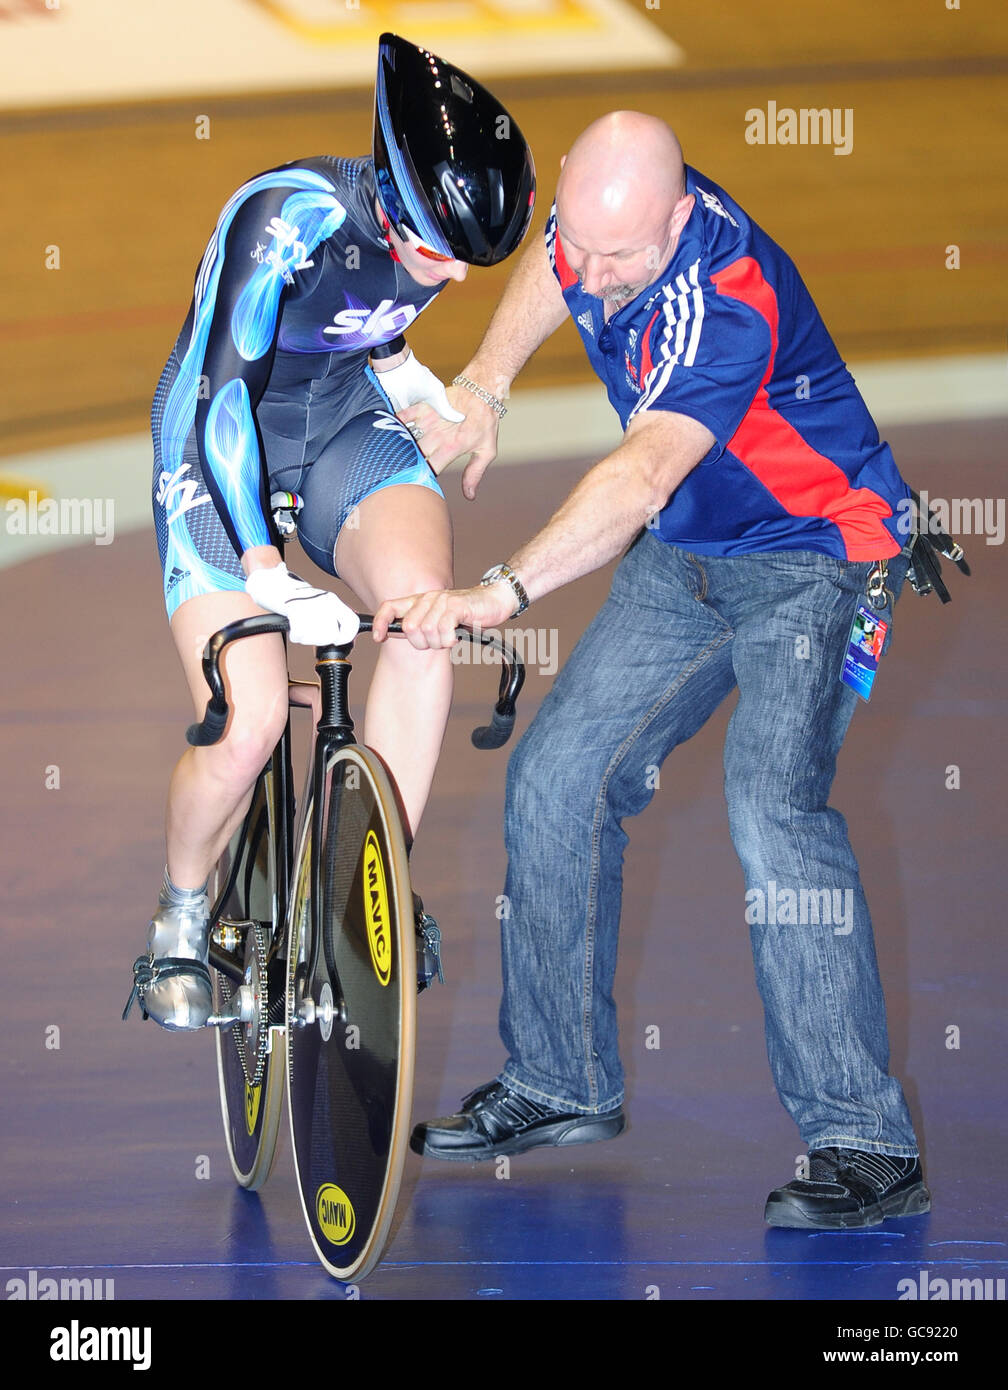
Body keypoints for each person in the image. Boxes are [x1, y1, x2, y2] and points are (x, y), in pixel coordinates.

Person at [373, 110, 932, 1230]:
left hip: (817, 553)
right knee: (555, 780)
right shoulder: (593, 226)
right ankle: (560, 1077)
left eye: (630, 257)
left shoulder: (726, 299)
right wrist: (485, 380)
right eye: (587, 248)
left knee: (770, 804)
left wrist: (505, 590)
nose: (603, 278)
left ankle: (865, 1137)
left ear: (679, 217)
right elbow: (549, 261)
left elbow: (635, 478)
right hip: (692, 550)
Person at [125, 33, 535, 1032]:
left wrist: (414, 375)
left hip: (339, 420)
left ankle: (370, 888)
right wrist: (261, 566)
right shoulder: (284, 215)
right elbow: (225, 394)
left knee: (425, 627)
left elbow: (371, 305)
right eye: (447, 255)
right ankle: (180, 910)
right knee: (250, 720)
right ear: (394, 199)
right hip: (218, 431)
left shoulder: (432, 234)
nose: (462, 278)